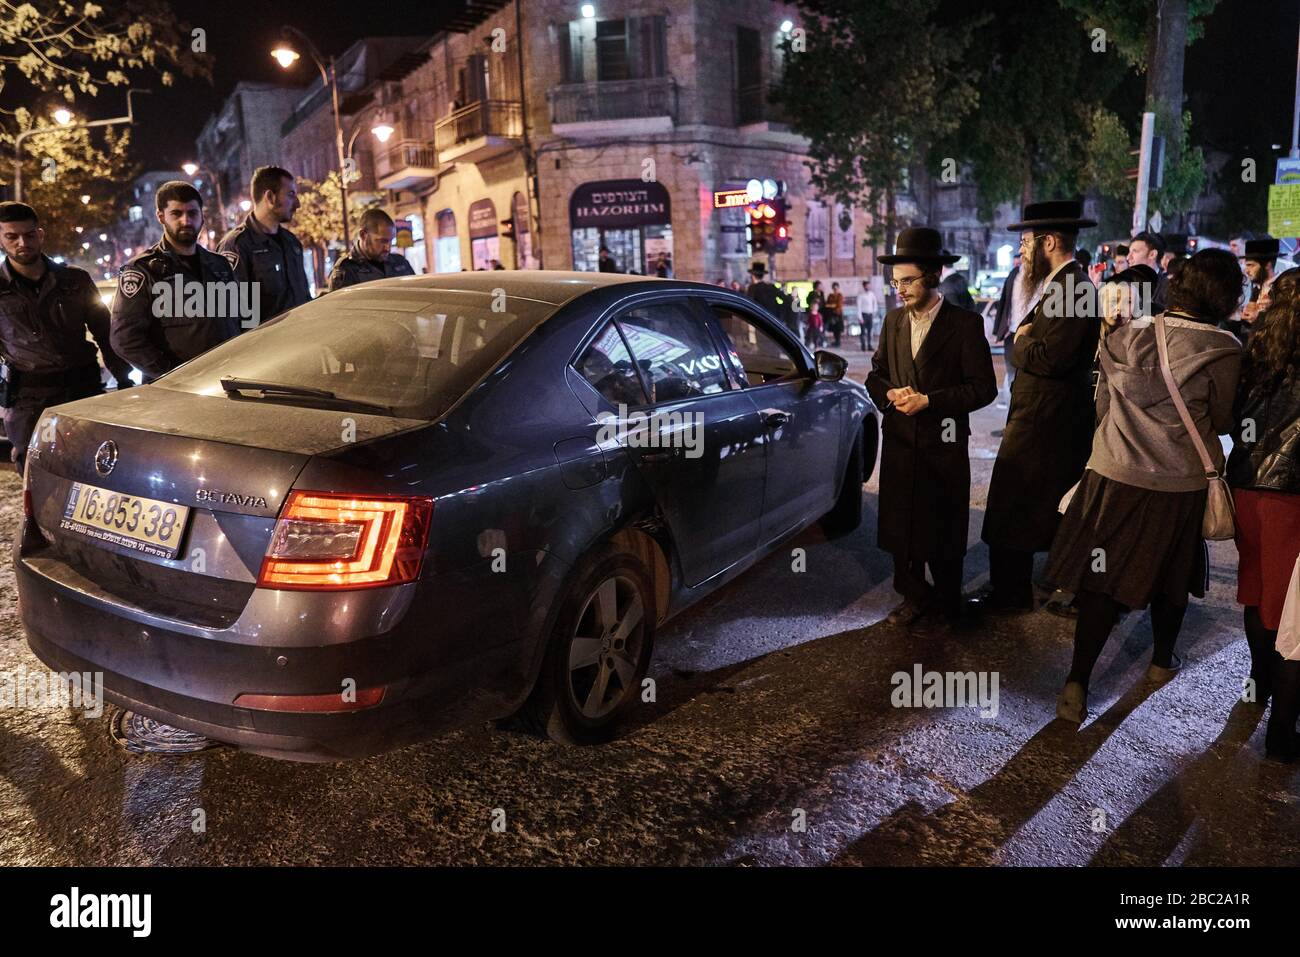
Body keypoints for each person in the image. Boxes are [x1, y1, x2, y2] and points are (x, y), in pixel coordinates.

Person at [1046, 249, 1244, 723]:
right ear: (1226, 294)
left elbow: (1103, 405)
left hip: (1113, 474)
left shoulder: (1126, 333)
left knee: (1101, 581)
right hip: (1177, 483)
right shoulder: (1224, 348)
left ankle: (1077, 681)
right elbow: (1221, 419)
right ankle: (1160, 662)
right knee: (1171, 575)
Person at [866, 227, 998, 629]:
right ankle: (912, 595)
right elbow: (876, 375)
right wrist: (890, 395)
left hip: (943, 448)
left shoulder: (965, 325)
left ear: (933, 275)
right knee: (901, 529)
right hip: (902, 444)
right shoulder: (892, 322)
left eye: (907, 281)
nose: (899, 290)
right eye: (895, 282)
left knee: (942, 529)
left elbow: (983, 389)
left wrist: (931, 401)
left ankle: (946, 602)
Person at [975, 200, 1101, 615]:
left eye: (1027, 241)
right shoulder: (1056, 283)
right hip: (1040, 416)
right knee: (1018, 506)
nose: (1023, 250)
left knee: (1017, 506)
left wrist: (1021, 340)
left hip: (1048, 421)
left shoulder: (1076, 286)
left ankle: (1012, 594)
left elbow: (1054, 358)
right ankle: (1014, 588)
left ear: (1049, 241)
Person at [1228, 266, 1300, 760]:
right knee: (1292, 613)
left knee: (1258, 593)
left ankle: (1260, 683)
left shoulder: (1254, 348)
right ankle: (1281, 732)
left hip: (1247, 484)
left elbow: (1234, 417)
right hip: (1290, 494)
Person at [0, 202, 132, 472]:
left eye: (29, 234)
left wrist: (124, 379)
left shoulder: (75, 280)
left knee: (93, 467)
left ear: (41, 234)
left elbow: (106, 333)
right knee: (39, 473)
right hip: (30, 401)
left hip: (82, 392)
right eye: (12, 236)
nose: (22, 242)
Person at [110, 180, 242, 383]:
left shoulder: (220, 266)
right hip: (176, 391)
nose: (186, 221)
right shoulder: (142, 270)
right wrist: (174, 374)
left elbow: (239, 322)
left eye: (192, 213)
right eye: (176, 214)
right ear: (161, 216)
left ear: (202, 216)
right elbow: (125, 339)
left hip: (226, 380)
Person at [218, 166, 310, 319]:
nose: (297, 204)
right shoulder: (236, 246)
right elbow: (233, 314)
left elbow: (303, 297)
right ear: (270, 198)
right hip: (266, 342)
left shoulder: (291, 242)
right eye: (291, 194)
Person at [327, 208, 416, 291]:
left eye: (390, 241)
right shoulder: (346, 270)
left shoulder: (400, 262)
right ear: (363, 235)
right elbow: (339, 306)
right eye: (382, 241)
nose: (388, 247)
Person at [1238, 237, 1280, 341]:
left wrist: (1259, 318)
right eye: (1246, 265)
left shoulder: (1282, 288)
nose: (1246, 270)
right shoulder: (1257, 288)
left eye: (1251, 265)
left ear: (1267, 265)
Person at [745, 261, 793, 334]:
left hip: (759, 322)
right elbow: (787, 300)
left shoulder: (752, 288)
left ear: (753, 276)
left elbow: (749, 305)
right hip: (774, 321)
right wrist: (779, 312)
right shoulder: (771, 287)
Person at [1127, 231, 1168, 312]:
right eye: (1129, 252)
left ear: (1152, 254)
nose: (1128, 257)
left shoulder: (1167, 287)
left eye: (1135, 251)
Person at [857, 280, 880, 350]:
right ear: (864, 286)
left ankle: (869, 345)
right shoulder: (861, 295)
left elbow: (875, 303)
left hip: (870, 315)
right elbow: (859, 307)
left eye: (869, 285)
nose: (868, 287)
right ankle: (863, 346)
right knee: (863, 331)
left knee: (870, 331)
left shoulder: (872, 294)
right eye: (867, 285)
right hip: (863, 315)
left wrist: (874, 312)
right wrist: (860, 317)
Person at [825, 282, 845, 347]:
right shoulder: (830, 295)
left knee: (838, 329)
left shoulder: (840, 295)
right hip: (832, 315)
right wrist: (833, 305)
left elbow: (839, 305)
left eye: (836, 288)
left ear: (838, 288)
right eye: (834, 288)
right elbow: (827, 305)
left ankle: (838, 341)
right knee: (834, 329)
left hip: (838, 314)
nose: (835, 289)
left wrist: (832, 305)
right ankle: (836, 341)